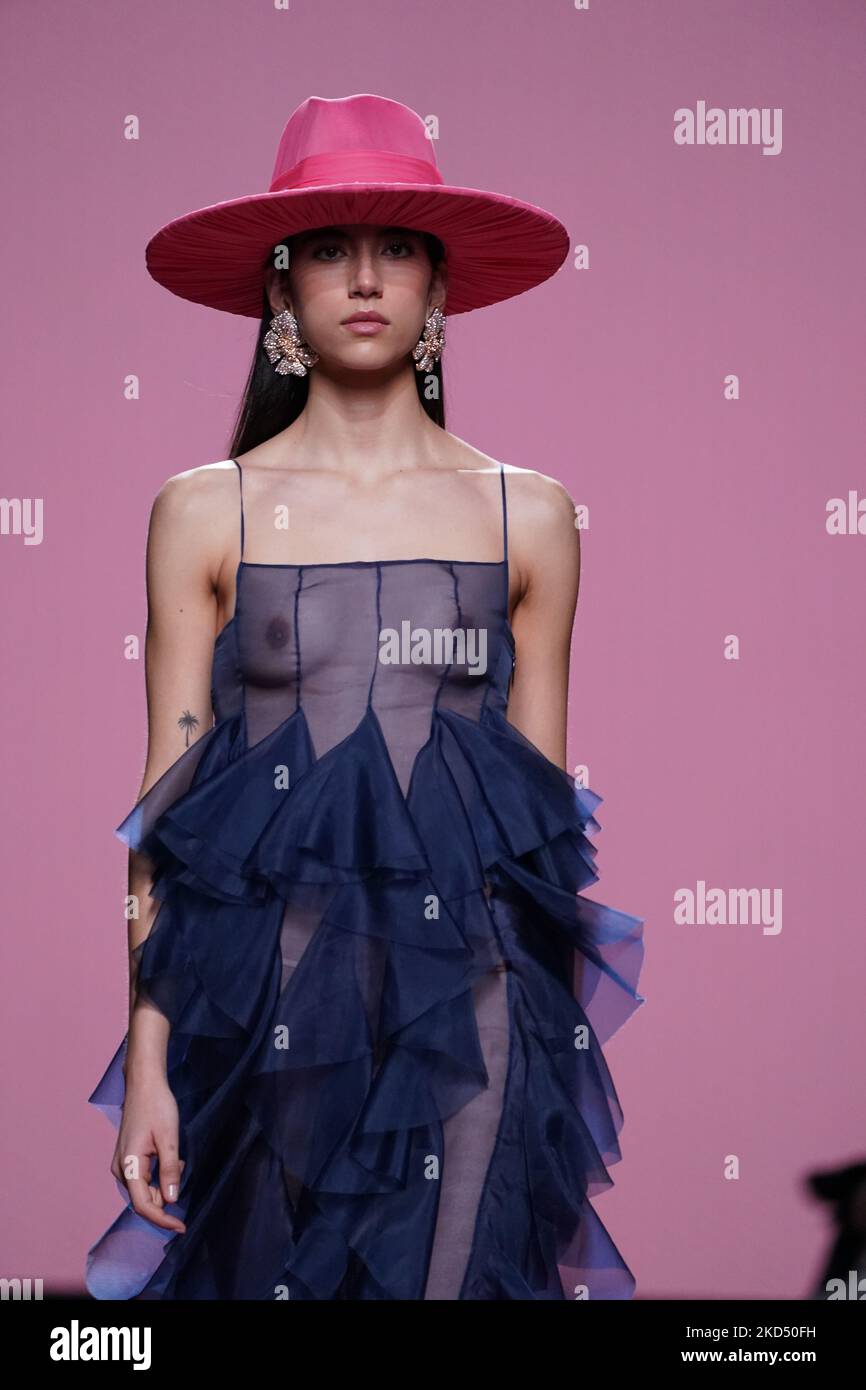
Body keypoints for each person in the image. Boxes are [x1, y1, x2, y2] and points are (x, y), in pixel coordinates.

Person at [85, 93, 645, 1301]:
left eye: (396, 249)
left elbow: (541, 829)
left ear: (437, 288)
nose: (364, 279)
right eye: (327, 250)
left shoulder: (527, 512)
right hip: (265, 995)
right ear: (280, 293)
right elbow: (164, 816)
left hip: (479, 999)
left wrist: (546, 1055)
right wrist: (148, 1058)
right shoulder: (203, 509)